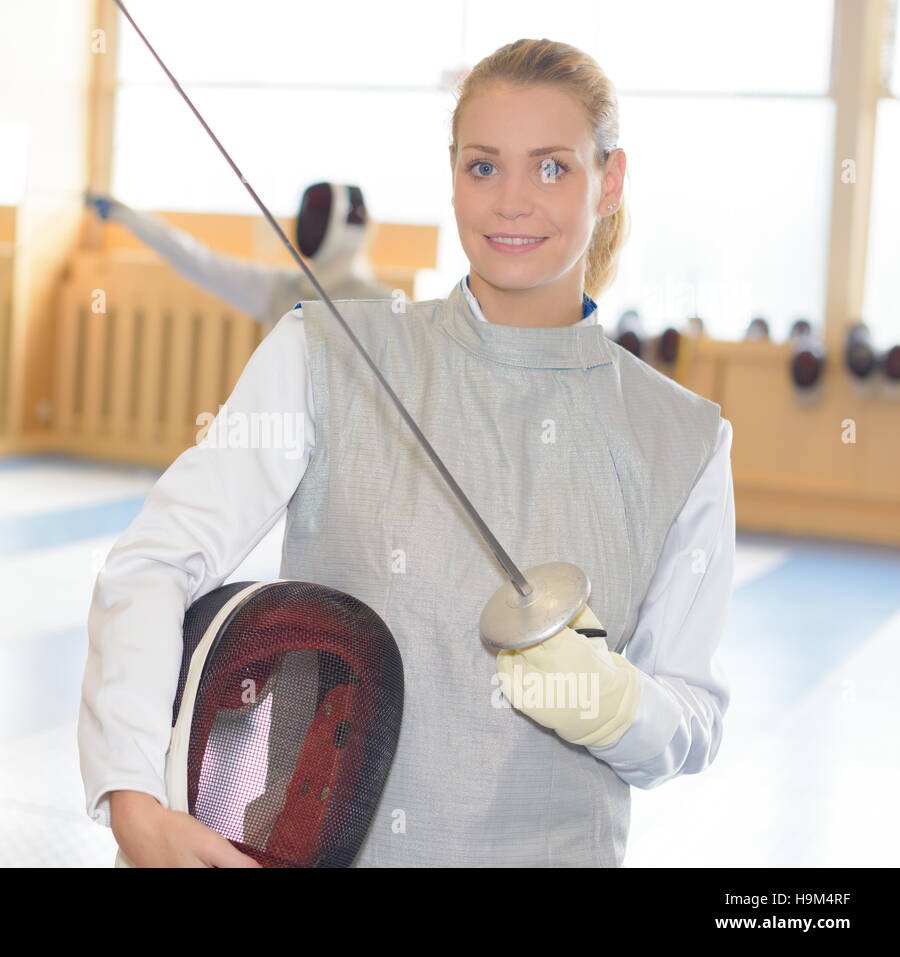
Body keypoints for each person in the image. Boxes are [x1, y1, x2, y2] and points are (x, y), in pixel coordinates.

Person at [79, 38, 737, 867]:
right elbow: (154, 559)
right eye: (484, 167)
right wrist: (133, 798)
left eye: (552, 168)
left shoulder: (685, 438)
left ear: (609, 182)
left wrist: (614, 704)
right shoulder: (329, 351)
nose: (511, 203)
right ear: (453, 174)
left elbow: (695, 717)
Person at [86, 182, 392, 328]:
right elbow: (198, 262)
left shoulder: (381, 305)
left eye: (319, 217)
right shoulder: (283, 290)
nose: (309, 225)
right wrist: (127, 216)